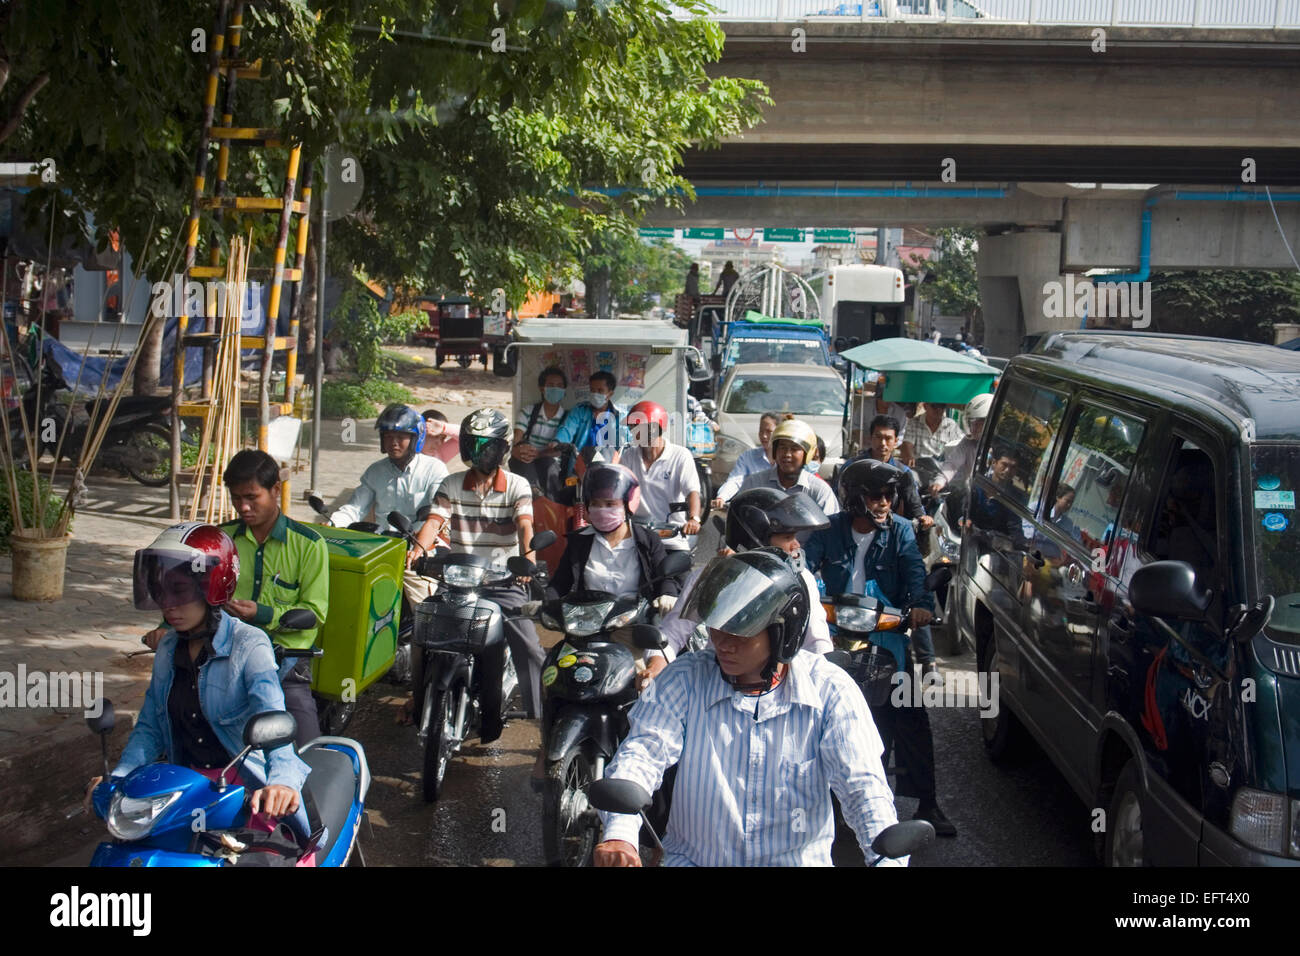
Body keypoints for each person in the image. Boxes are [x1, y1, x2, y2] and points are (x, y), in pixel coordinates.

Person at [592, 549, 903, 867]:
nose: (722, 642)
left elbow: (862, 786)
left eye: (740, 632)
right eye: (716, 627)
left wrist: (886, 859)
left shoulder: (830, 689)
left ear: (782, 630)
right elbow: (642, 755)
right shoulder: (683, 678)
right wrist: (620, 834)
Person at [89, 524, 311, 840]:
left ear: (213, 588)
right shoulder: (168, 648)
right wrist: (119, 779)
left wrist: (282, 783)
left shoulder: (250, 645)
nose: (168, 604)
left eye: (179, 590)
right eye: (160, 589)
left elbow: (273, 720)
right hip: (183, 791)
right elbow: (150, 727)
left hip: (244, 793)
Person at [803, 458, 956, 837]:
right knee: (809, 711)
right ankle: (808, 798)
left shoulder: (902, 531)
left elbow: (915, 571)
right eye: (876, 495)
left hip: (887, 635)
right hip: (834, 635)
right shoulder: (827, 529)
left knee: (909, 715)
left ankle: (928, 803)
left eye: (890, 495)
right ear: (854, 498)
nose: (885, 502)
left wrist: (921, 604)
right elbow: (803, 566)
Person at [141, 451, 330, 749]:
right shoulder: (217, 539)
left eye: (252, 497)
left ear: (275, 491)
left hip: (285, 659)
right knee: (174, 723)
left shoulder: (309, 544)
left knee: (306, 742)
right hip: (222, 653)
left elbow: (314, 612)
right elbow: (187, 589)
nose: (243, 506)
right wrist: (166, 625)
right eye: (236, 498)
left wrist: (263, 614)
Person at [426, 408, 547, 719]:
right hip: (457, 582)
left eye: (487, 445)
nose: (480, 453)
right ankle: (419, 701)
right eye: (474, 445)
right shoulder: (450, 484)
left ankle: (542, 716)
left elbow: (525, 526)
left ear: (502, 449)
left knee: (530, 648)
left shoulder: (518, 486)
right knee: (425, 635)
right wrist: (417, 550)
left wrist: (528, 558)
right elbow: (434, 519)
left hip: (503, 583)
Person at [644, 486, 832, 686]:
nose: (796, 546)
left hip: (780, 686)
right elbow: (674, 631)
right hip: (716, 682)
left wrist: (826, 678)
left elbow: (817, 640)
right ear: (756, 539)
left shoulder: (801, 580)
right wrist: (656, 665)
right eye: (787, 538)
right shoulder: (712, 578)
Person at [328, 403, 448, 603]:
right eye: (388, 437)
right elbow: (355, 508)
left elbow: (435, 515)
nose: (394, 443)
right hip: (380, 546)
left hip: (419, 549)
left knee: (423, 607)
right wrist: (332, 524)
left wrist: (417, 547)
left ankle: (422, 632)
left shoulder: (434, 470)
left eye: (400, 437)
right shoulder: (375, 471)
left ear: (415, 439)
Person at [621, 400, 701, 551]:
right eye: (632, 427)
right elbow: (619, 490)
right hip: (637, 534)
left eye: (638, 427)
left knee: (675, 571)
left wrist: (694, 519)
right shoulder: (629, 456)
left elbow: (692, 492)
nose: (633, 432)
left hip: (670, 535)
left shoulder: (680, 455)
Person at [737, 417, 839, 523]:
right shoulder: (754, 484)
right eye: (782, 447)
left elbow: (831, 530)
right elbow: (739, 521)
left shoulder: (820, 491)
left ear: (806, 454)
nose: (787, 454)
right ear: (775, 450)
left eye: (795, 449)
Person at [510, 365, 569, 491]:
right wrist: (515, 450)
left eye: (559, 386)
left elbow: (560, 450)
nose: (555, 389)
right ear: (542, 388)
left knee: (548, 463)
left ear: (564, 390)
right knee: (523, 464)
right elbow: (516, 438)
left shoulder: (567, 418)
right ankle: (532, 495)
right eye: (551, 385)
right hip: (526, 458)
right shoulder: (529, 411)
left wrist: (539, 454)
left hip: (550, 462)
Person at [549, 370, 628, 460]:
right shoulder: (580, 410)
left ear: (610, 394)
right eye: (592, 390)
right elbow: (567, 429)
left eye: (600, 391)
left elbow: (625, 441)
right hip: (580, 463)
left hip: (608, 466)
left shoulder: (620, 416)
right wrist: (558, 441)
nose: (595, 394)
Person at [928, 393, 993, 495]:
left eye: (978, 424)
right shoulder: (967, 442)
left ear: (989, 422)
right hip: (972, 494)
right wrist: (940, 482)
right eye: (972, 423)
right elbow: (952, 464)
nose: (973, 428)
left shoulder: (999, 446)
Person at [711, 412, 779, 509]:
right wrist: (722, 498)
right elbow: (735, 480)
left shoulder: (786, 460)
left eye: (768, 431)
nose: (764, 436)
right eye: (761, 431)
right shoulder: (748, 457)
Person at [900, 402, 963, 468]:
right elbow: (907, 444)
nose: (938, 409)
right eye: (934, 406)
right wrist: (909, 456)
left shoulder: (951, 425)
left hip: (942, 469)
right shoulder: (913, 423)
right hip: (919, 467)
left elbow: (961, 445)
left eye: (942, 406)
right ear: (925, 406)